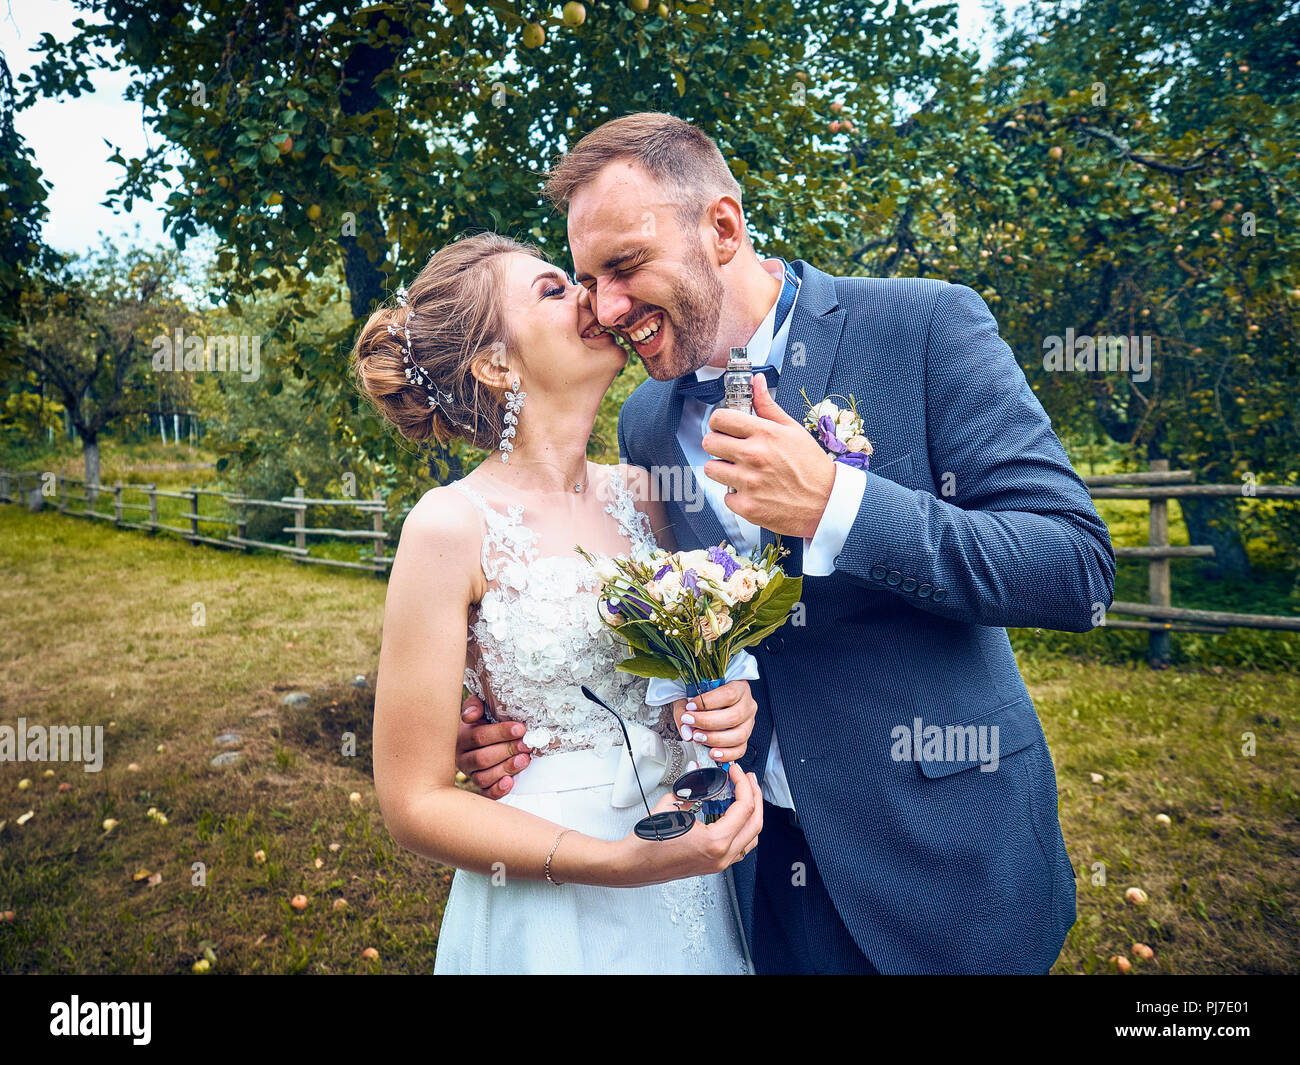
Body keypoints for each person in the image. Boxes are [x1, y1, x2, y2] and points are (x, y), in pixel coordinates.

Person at [459, 112, 1117, 974]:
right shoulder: (647, 419)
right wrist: (516, 726)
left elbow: (1075, 566)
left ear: (723, 227)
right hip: (751, 879)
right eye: (588, 280)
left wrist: (837, 503)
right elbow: (679, 620)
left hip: (943, 861)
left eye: (625, 267)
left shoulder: (927, 327)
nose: (607, 308)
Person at [353, 232, 763, 974]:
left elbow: (674, 675)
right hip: (552, 895)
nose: (594, 298)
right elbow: (411, 802)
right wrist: (614, 863)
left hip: (686, 862)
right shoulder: (450, 525)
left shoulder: (649, 494)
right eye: (553, 288)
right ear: (495, 363)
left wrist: (716, 700)